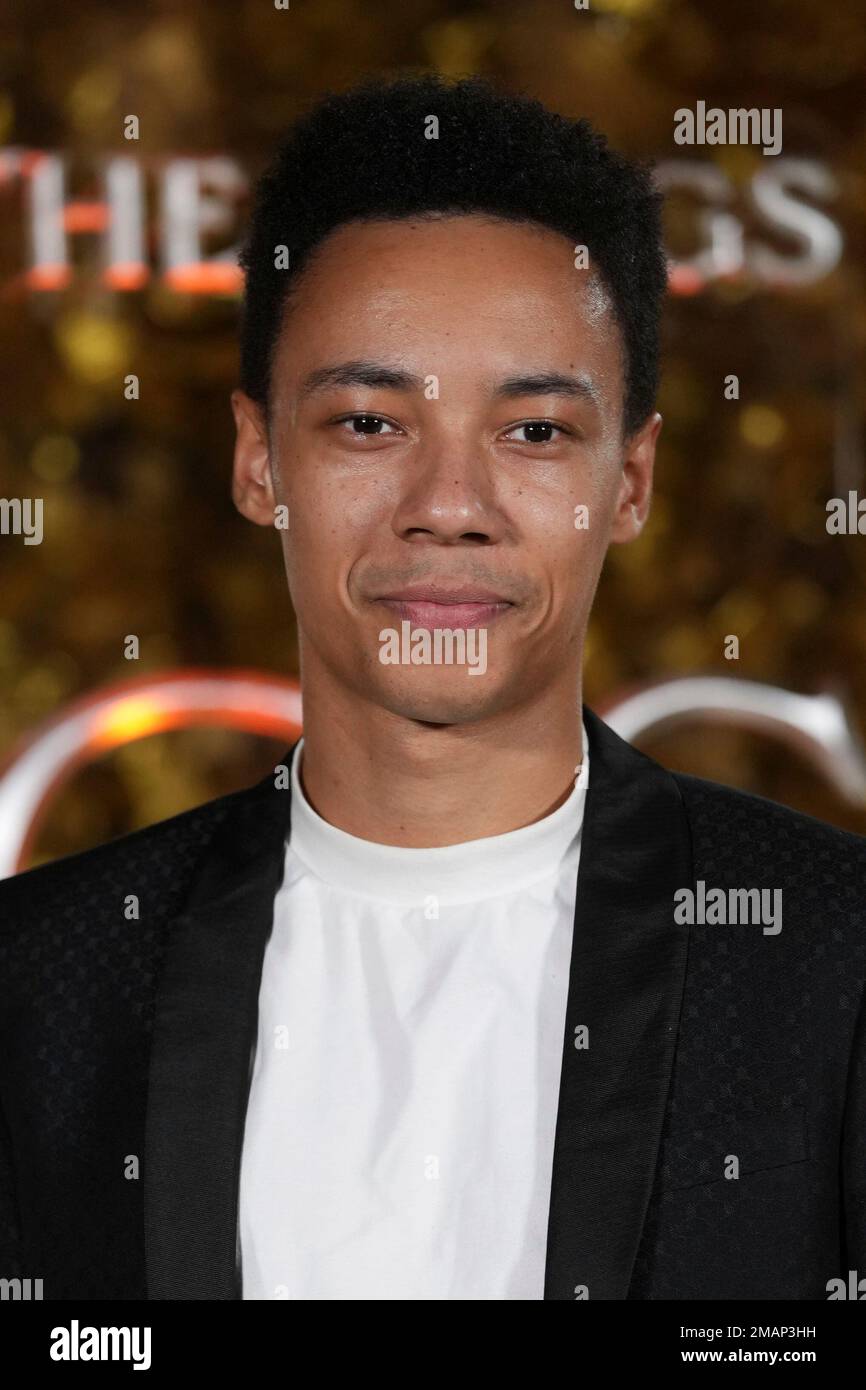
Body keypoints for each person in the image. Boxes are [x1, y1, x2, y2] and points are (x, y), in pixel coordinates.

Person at [1, 74, 864, 1302]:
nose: (447, 508)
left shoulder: (831, 958)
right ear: (259, 459)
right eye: (367, 423)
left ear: (629, 481)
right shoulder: (44, 983)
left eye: (533, 433)